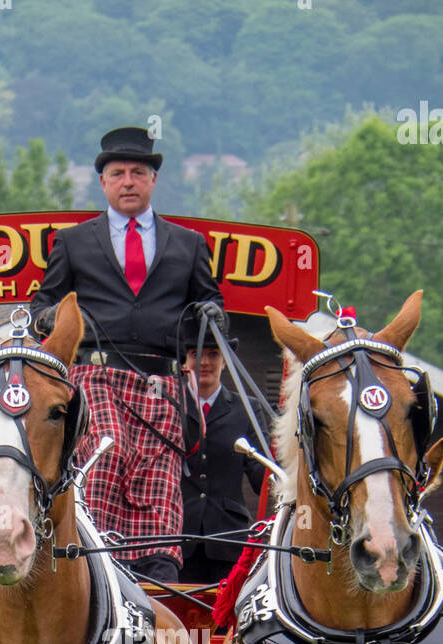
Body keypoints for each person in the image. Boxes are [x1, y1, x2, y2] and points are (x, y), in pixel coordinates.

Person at [30, 126, 224, 582]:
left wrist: (211, 311)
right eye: (118, 173)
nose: (129, 181)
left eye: (138, 172)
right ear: (103, 182)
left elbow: (211, 301)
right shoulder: (74, 242)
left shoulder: (189, 243)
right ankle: (94, 568)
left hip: (164, 379)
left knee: (158, 483)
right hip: (97, 375)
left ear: (154, 180)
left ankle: (158, 581)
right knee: (105, 456)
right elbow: (43, 304)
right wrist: (53, 321)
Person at [180, 326, 268, 585]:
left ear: (224, 361)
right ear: (185, 361)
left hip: (230, 538)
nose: (204, 362)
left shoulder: (247, 408)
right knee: (182, 621)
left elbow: (260, 476)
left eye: (213, 354)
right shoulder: (170, 404)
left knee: (224, 621)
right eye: (196, 354)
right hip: (178, 536)